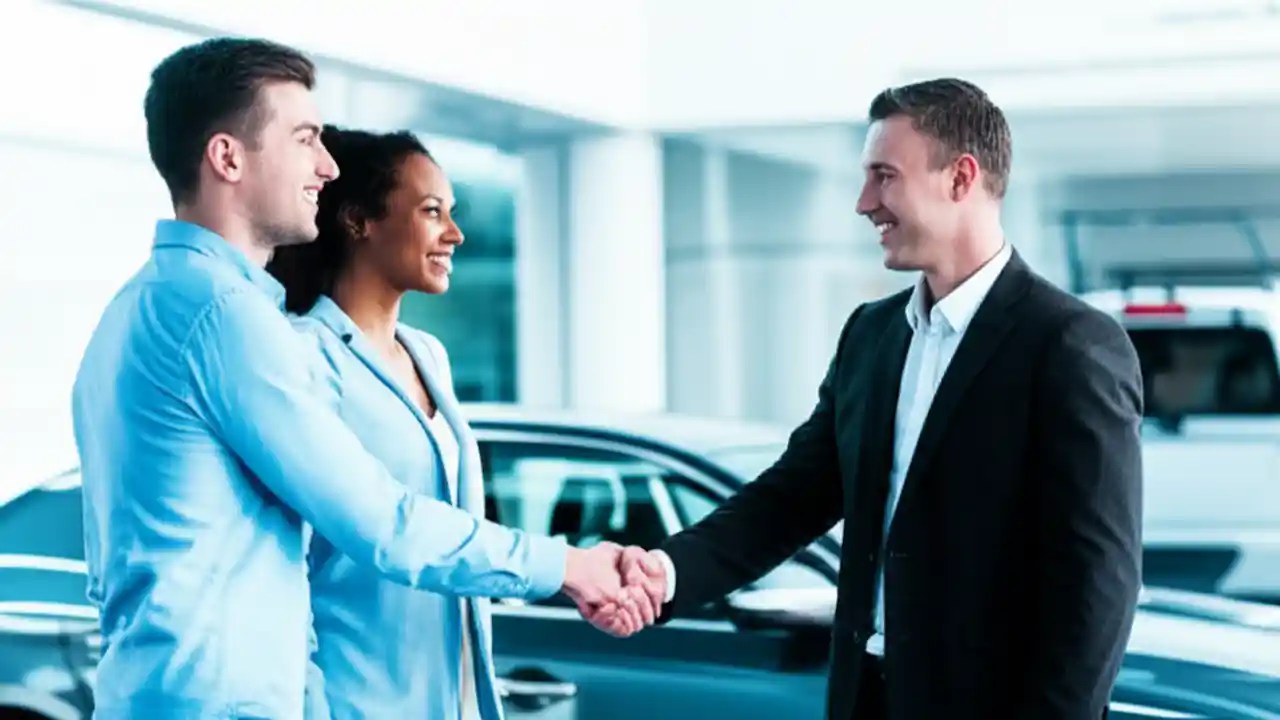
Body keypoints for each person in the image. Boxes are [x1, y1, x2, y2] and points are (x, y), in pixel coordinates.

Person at [71, 38, 650, 720]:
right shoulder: (224, 316)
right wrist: (569, 566)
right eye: (306, 139)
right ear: (228, 157)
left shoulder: (140, 308)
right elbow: (381, 520)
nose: (326, 164)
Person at [604, 78, 1144, 719]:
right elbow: (790, 498)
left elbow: (1095, 585)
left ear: (960, 177)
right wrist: (666, 572)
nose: (865, 203)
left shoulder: (1070, 345)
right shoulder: (872, 335)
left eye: (884, 176)